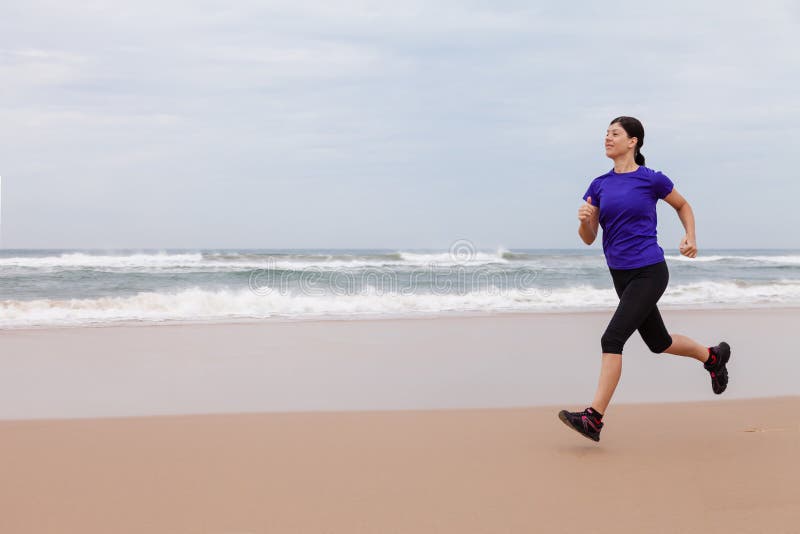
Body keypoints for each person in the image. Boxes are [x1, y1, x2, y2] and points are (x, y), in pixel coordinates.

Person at [558, 116, 731, 443]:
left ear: (633, 141)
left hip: (650, 271)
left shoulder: (651, 179)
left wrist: (690, 236)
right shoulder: (599, 185)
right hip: (620, 276)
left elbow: (683, 205)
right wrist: (583, 222)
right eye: (606, 134)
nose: (607, 138)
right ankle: (712, 357)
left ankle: (593, 419)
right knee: (659, 342)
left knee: (612, 339)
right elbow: (589, 237)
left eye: (615, 133)